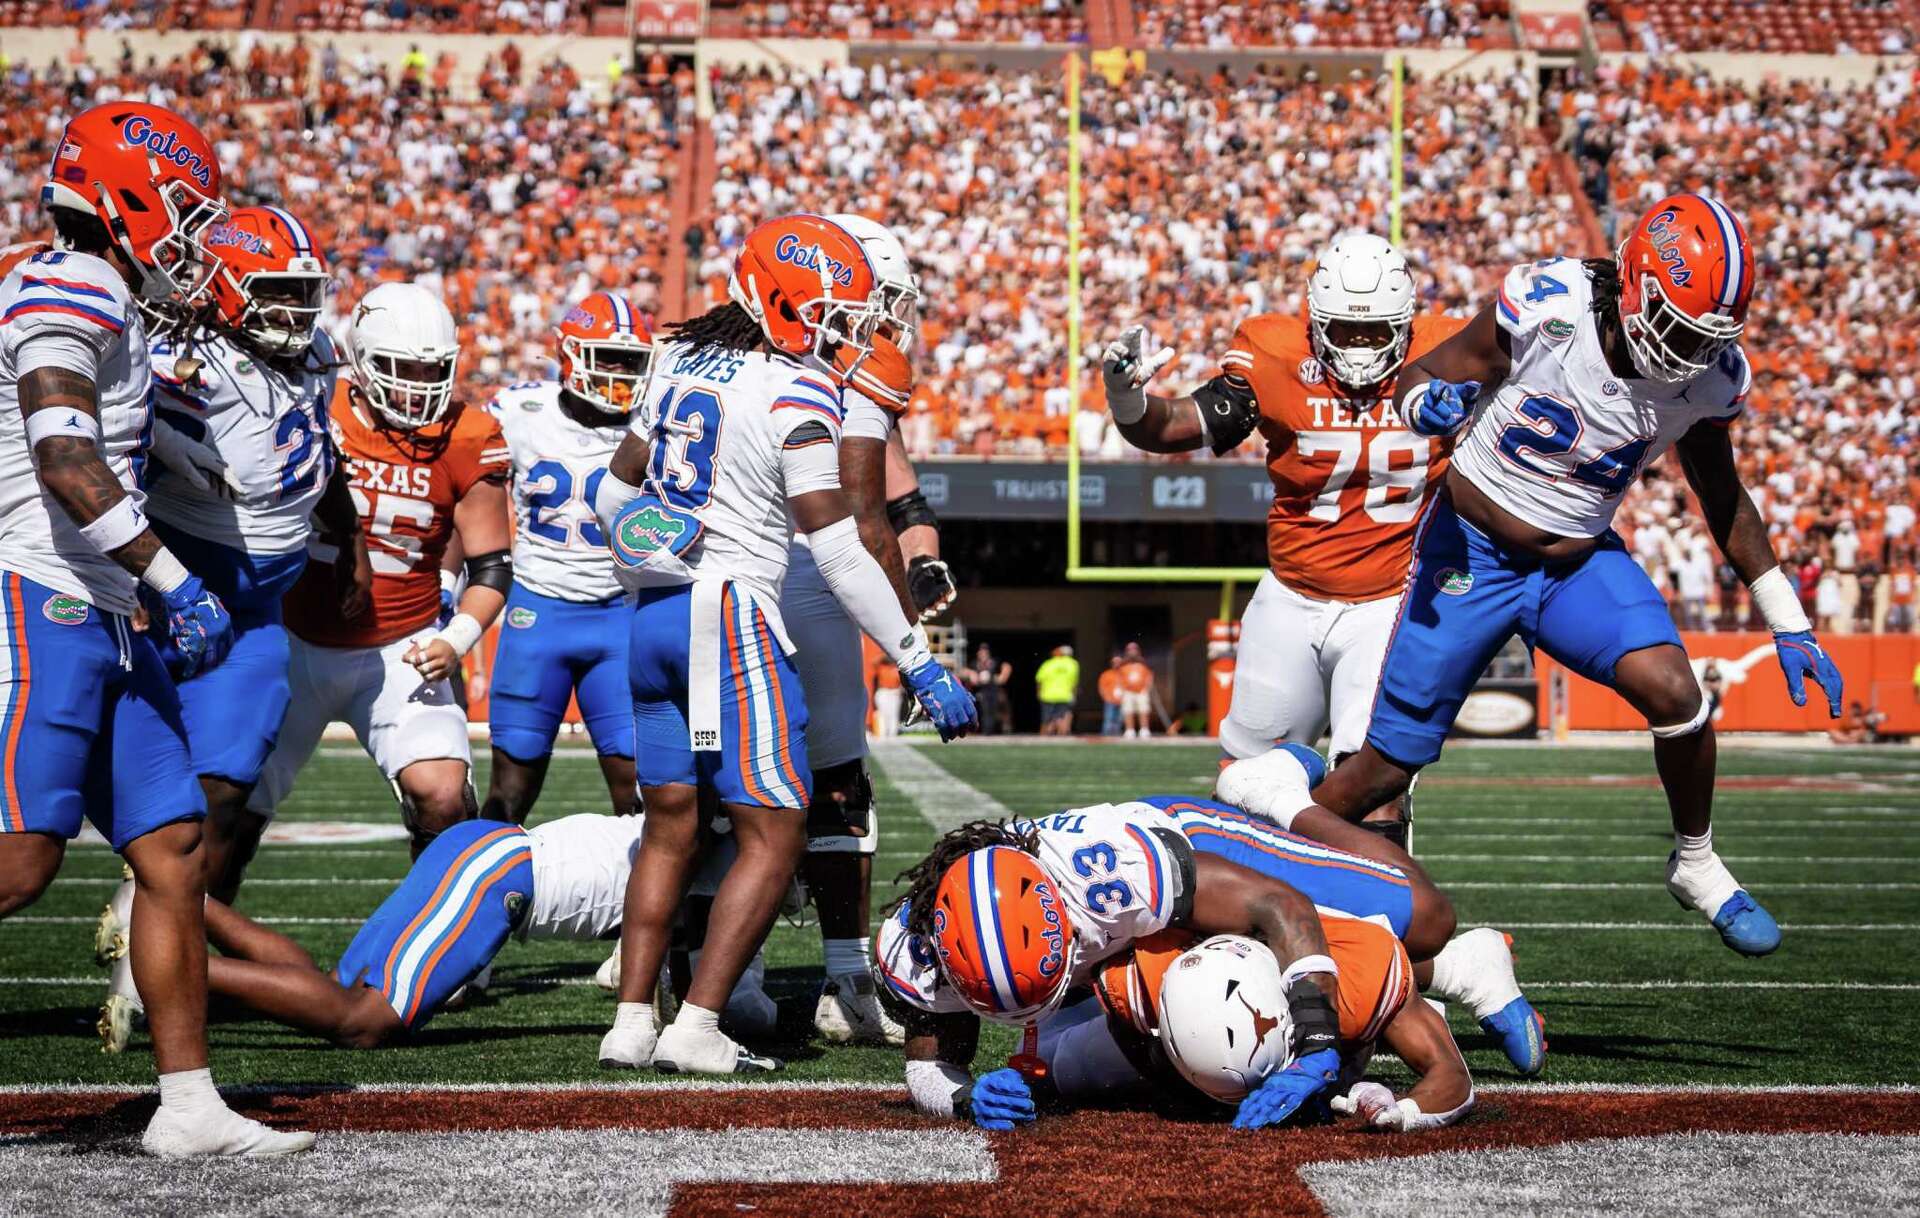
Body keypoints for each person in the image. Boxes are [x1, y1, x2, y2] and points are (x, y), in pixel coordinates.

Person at [1310, 195, 1845, 957]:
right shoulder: (1547, 308)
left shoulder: (1708, 377)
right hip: (1471, 553)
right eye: (1677, 325)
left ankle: (1696, 862)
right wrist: (1426, 402)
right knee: (1383, 771)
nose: (1687, 350)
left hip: (1577, 562)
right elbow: (1427, 371)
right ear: (1632, 283)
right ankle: (1259, 842)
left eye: (1704, 336)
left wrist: (1784, 612)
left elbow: (1720, 492)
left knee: (1677, 694)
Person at [590, 214, 977, 1076]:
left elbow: (610, 506)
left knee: (668, 829)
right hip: (736, 616)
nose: (848, 330)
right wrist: (917, 658)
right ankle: (697, 1023)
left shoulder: (677, 362)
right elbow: (838, 545)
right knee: (778, 828)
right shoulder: (799, 390)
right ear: (784, 302)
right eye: (834, 312)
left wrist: (669, 540)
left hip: (654, 615)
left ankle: (630, 1024)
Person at [0, 102, 311, 1156]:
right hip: (37, 594)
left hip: (102, 605)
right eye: (183, 208)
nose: (194, 234)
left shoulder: (116, 300)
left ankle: (187, 1107)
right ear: (127, 195)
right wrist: (177, 580)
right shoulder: (65, 284)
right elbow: (66, 462)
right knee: (19, 863)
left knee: (173, 851)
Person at [872, 750, 1538, 1134]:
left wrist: (1313, 1042)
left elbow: (1280, 908)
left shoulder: (1117, 875)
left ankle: (1275, 794)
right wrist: (964, 1099)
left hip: (1192, 848)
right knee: (1085, 1070)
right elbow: (929, 1068)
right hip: (1111, 962)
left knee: (1425, 914)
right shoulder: (918, 949)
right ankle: (1439, 970)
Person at [1102, 234, 1463, 844]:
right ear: (1314, 321)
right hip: (1291, 598)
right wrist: (1127, 397)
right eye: (1344, 331)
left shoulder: (1451, 351)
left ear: (1405, 324)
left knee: (1373, 786)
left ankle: (1383, 932)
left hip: (1391, 604)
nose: (1359, 347)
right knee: (1245, 787)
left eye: (1375, 332)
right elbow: (1175, 427)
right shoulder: (1273, 352)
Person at [140, 205, 371, 904]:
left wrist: (351, 539)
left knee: (226, 787)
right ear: (226, 285)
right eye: (276, 290)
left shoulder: (316, 356)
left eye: (304, 292)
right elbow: (122, 468)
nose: (296, 310)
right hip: (169, 584)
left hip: (257, 606)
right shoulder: (187, 365)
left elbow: (317, 457)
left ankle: (163, 943)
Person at [96, 812, 774, 1050]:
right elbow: (714, 999)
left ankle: (171, 903)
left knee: (334, 990)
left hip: (487, 854)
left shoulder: (732, 834)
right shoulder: (745, 842)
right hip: (501, 875)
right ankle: (161, 962)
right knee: (367, 1020)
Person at [248, 282, 514, 860]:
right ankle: (178, 938)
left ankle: (441, 940)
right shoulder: (319, 402)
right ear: (362, 360)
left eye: (431, 371)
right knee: (229, 813)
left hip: (403, 645)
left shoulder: (468, 435)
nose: (418, 387)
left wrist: (456, 638)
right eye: (401, 369)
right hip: (288, 637)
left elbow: (492, 566)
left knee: (446, 801)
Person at [775, 214, 958, 1047]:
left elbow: (903, 494)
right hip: (807, 579)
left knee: (729, 786)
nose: (892, 320)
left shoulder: (767, 354)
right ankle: (844, 977)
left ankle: (705, 975)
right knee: (837, 781)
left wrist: (921, 564)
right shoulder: (841, 367)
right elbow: (859, 512)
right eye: (885, 302)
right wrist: (910, 641)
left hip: (734, 578)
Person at [480, 291, 652, 823]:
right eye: (610, 359)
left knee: (641, 794)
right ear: (572, 356)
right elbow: (472, 499)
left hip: (620, 613)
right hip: (540, 610)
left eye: (633, 362)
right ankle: (474, 899)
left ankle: (646, 909)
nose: (622, 375)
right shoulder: (517, 412)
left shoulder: (654, 420)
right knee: (510, 790)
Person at [963, 643, 1011, 735]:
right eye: (981, 652)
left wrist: (1001, 677)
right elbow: (963, 670)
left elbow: (1007, 666)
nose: (983, 654)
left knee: (994, 710)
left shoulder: (994, 662)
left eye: (985, 652)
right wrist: (971, 673)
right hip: (979, 691)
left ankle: (993, 731)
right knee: (980, 710)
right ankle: (979, 730)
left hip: (993, 690)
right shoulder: (974, 663)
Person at [1034, 645, 1079, 735]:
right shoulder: (1073, 664)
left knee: (1046, 720)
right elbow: (1074, 682)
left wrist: (1038, 693)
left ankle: (1043, 738)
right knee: (1061, 718)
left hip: (1047, 695)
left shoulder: (1048, 663)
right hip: (1065, 695)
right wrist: (1074, 695)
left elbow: (1039, 680)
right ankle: (1062, 740)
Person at [1116, 642, 1155, 738]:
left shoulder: (1143, 663)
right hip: (1127, 691)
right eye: (1130, 650)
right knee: (1128, 710)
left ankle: (1144, 729)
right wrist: (1120, 689)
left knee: (1143, 710)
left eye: (1134, 649)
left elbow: (1149, 676)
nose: (1132, 652)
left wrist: (1147, 688)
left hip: (1141, 691)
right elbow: (1119, 677)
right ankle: (1130, 730)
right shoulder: (1123, 664)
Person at [1098, 653, 1125, 736]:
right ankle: (1106, 736)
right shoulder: (1106, 674)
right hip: (1110, 700)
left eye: (1119, 662)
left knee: (1119, 720)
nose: (1117, 664)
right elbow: (1102, 687)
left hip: (1122, 701)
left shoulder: (1124, 674)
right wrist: (1106, 697)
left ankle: (1116, 736)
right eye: (1115, 662)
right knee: (1108, 719)